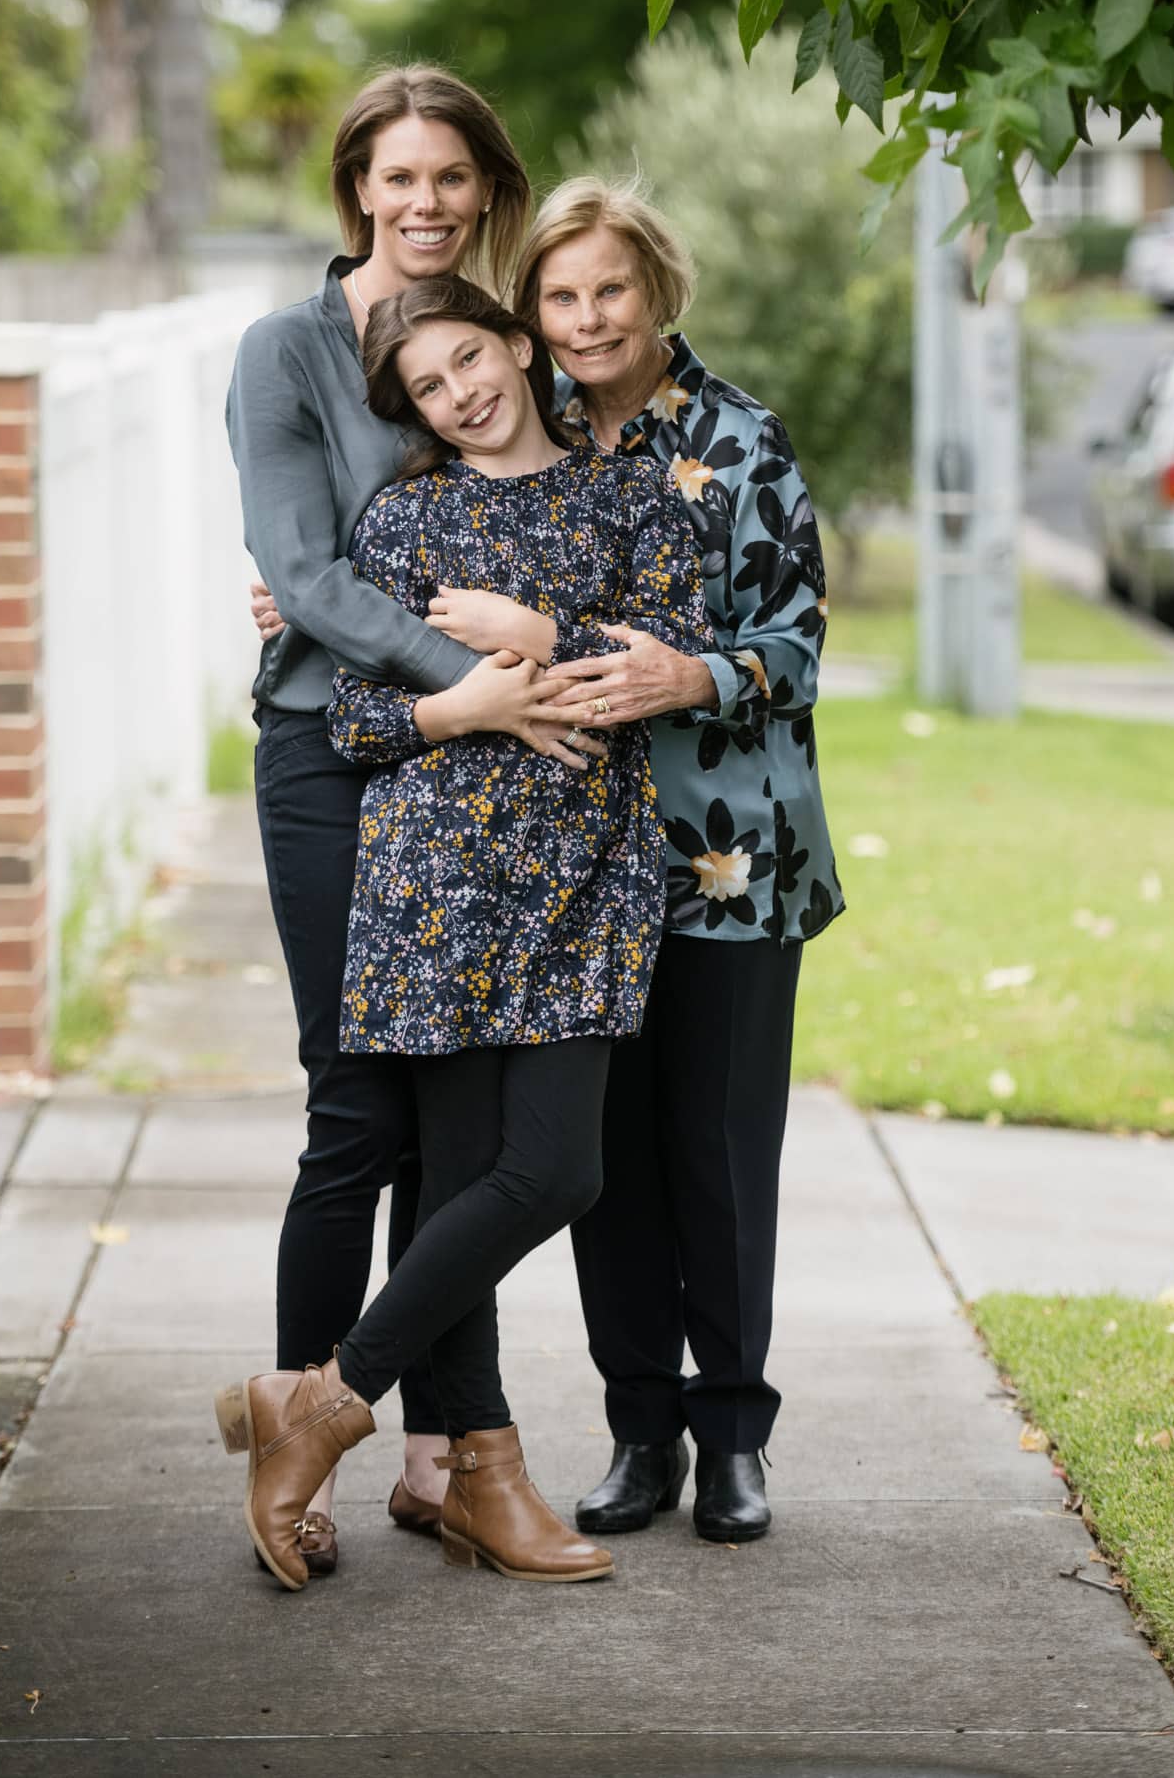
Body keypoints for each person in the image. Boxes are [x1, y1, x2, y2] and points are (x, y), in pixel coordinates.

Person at [217, 273, 714, 1592]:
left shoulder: (630, 494)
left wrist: (541, 635)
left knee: (556, 1173)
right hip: (433, 887)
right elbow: (350, 722)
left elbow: (674, 662)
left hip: (582, 886)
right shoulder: (404, 519)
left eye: (469, 360)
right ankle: (475, 1476)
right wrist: (467, 704)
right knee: (452, 1179)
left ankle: (324, 1399)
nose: (462, 394)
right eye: (429, 389)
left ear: (512, 340)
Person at [225, 66, 603, 1577]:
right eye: (401, 177)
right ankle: (301, 1438)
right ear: (356, 191)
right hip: (338, 755)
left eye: (455, 175)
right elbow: (304, 579)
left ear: (488, 187)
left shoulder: (511, 344)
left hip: (480, 788)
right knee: (359, 1112)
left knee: (464, 1127)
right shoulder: (285, 349)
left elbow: (585, 494)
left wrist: (532, 663)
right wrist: (486, 677)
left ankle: (447, 1456)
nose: (429, 202)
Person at [510, 178, 843, 1543]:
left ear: (658, 293)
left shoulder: (742, 437)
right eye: (560, 295)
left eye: (610, 291)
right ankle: (639, 1434)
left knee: (718, 1155)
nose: (587, 319)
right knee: (611, 1167)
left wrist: (687, 672)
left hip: (730, 864)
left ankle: (736, 1438)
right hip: (576, 867)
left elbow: (801, 643)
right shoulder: (517, 443)